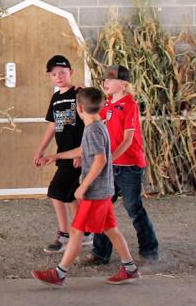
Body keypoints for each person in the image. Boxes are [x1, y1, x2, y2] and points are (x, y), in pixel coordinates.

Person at [33, 87, 141, 287]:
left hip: (96, 192)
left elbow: (99, 160)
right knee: (111, 229)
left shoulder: (92, 130)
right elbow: (84, 150)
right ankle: (130, 269)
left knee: (76, 232)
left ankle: (59, 273)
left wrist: (83, 187)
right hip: (104, 190)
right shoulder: (98, 126)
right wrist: (56, 156)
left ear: (79, 108)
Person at [85, 65, 159, 264]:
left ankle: (149, 249)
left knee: (133, 206)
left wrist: (110, 159)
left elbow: (128, 139)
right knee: (103, 205)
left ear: (123, 84)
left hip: (129, 165)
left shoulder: (130, 105)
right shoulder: (107, 104)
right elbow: (94, 124)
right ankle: (100, 253)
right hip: (112, 164)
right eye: (104, 80)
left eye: (110, 80)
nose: (105, 83)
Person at [34, 55, 91, 253]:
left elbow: (89, 124)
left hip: (76, 155)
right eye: (54, 74)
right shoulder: (56, 97)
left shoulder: (79, 93)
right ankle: (84, 232)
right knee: (70, 194)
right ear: (49, 76)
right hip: (62, 153)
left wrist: (81, 153)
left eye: (63, 73)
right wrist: (41, 150)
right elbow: (53, 125)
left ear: (71, 73)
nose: (58, 77)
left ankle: (65, 234)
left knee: (56, 191)